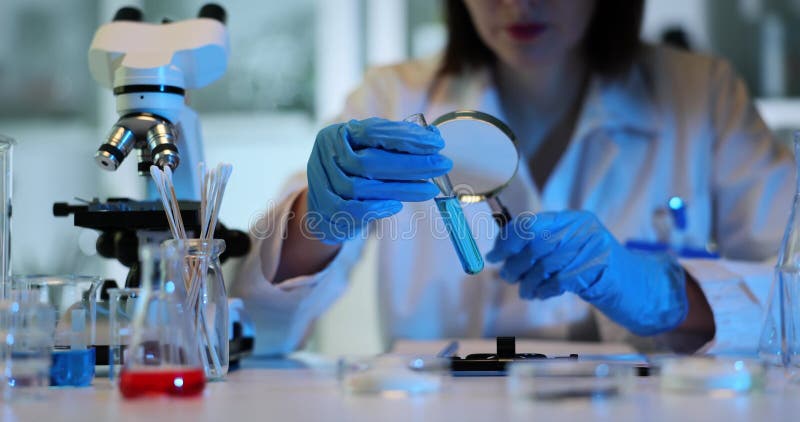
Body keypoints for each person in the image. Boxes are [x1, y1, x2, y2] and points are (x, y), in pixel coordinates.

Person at [232, 0, 794, 356]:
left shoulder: (702, 96)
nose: (518, 3)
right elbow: (256, 332)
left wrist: (669, 296)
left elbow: (794, 302)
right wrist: (321, 218)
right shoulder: (392, 97)